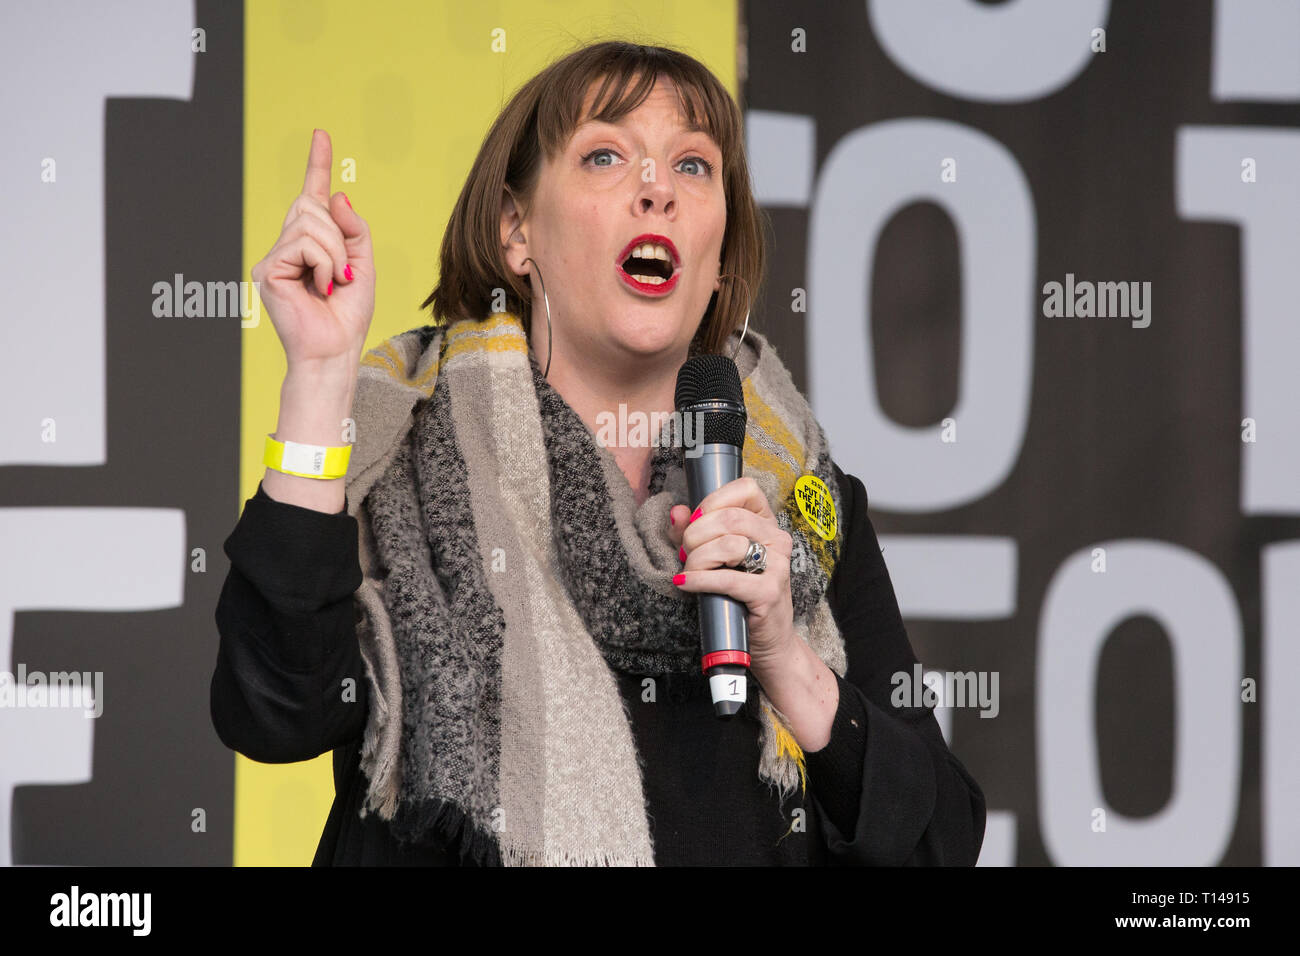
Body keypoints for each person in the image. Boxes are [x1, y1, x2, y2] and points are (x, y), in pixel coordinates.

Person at [210, 40, 986, 866]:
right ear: (517, 231)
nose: (657, 188)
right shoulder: (406, 465)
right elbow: (273, 715)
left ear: (719, 257)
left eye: (693, 166)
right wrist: (321, 381)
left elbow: (940, 840)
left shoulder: (795, 497)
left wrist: (787, 657)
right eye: (607, 155)